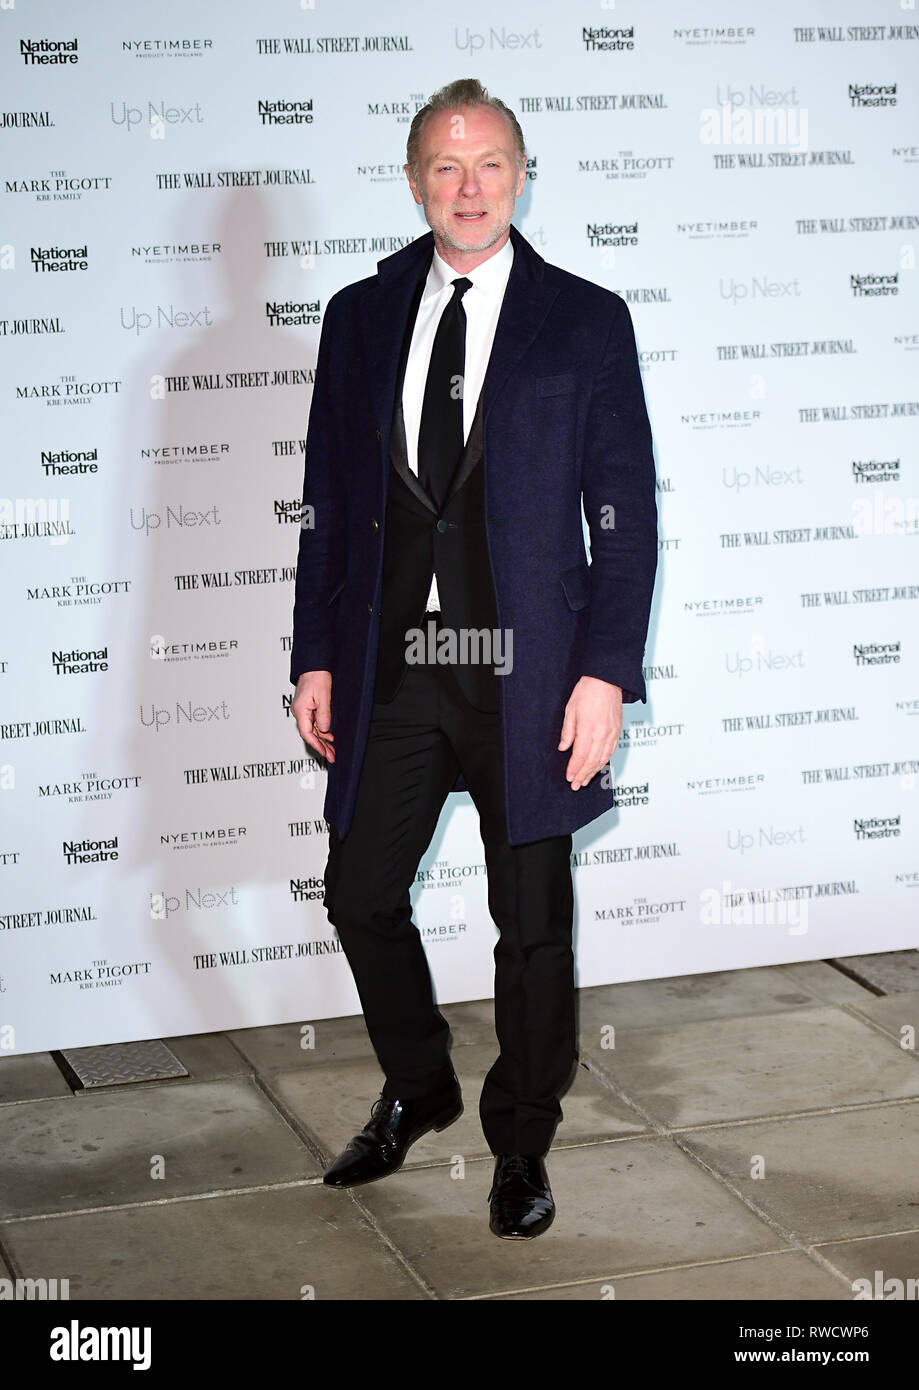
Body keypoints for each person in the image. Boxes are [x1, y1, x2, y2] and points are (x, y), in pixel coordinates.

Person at [289, 77, 658, 1239]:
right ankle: (421, 1082)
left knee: (531, 923)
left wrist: (602, 673)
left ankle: (520, 1138)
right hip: (395, 662)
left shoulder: (585, 319)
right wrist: (312, 655)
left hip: (529, 673)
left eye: (490, 163)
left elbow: (626, 517)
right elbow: (329, 505)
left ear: (521, 173)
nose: (469, 187)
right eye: (445, 168)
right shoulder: (359, 314)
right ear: (413, 182)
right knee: (358, 893)